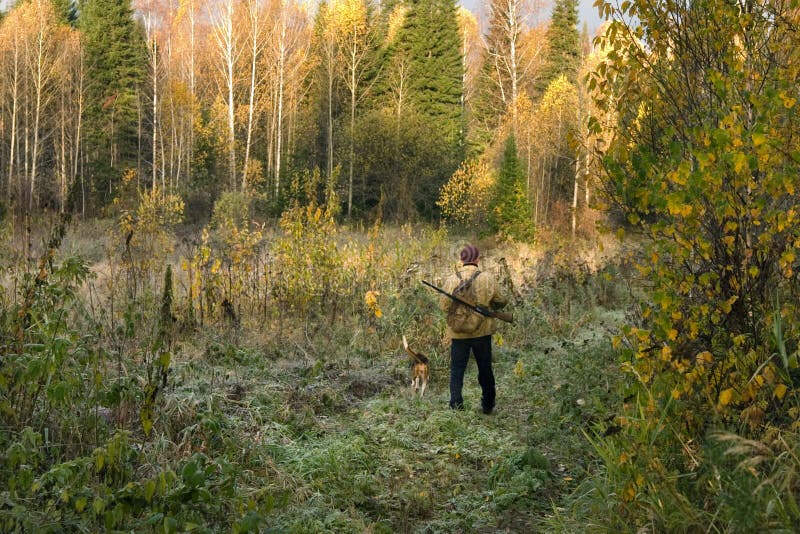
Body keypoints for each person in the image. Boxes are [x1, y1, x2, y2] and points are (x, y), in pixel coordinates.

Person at [439, 244, 508, 414]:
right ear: (477, 259)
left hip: (458, 332)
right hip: (482, 332)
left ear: (461, 260)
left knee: (457, 370)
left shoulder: (451, 279)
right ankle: (488, 404)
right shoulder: (487, 278)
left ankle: (456, 405)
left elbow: (443, 306)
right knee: (485, 369)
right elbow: (502, 300)